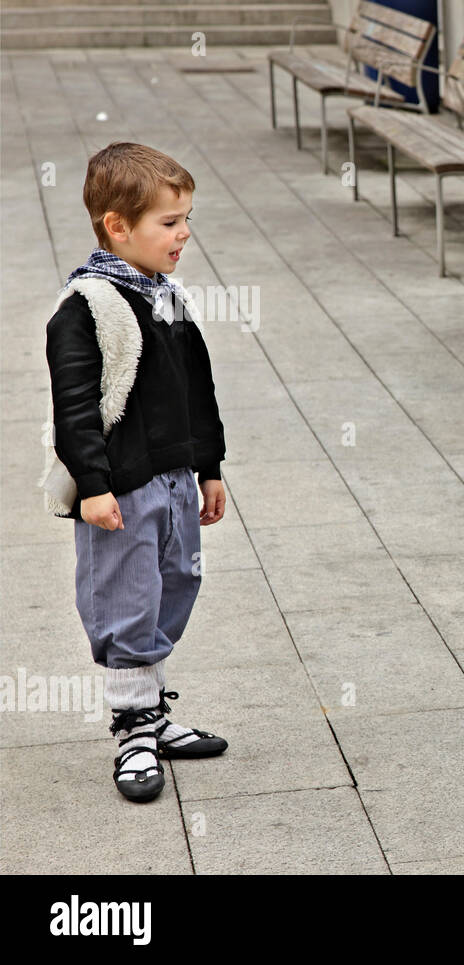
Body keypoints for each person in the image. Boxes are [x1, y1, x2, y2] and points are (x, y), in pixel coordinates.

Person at [42, 142, 228, 803]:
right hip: (119, 487)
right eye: (169, 222)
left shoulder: (167, 296)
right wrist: (92, 486)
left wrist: (209, 467)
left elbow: (196, 389)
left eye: (186, 219)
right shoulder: (85, 309)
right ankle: (134, 730)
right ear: (117, 226)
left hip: (176, 479)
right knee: (126, 599)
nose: (184, 234)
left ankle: (152, 709)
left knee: (172, 586)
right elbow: (74, 409)